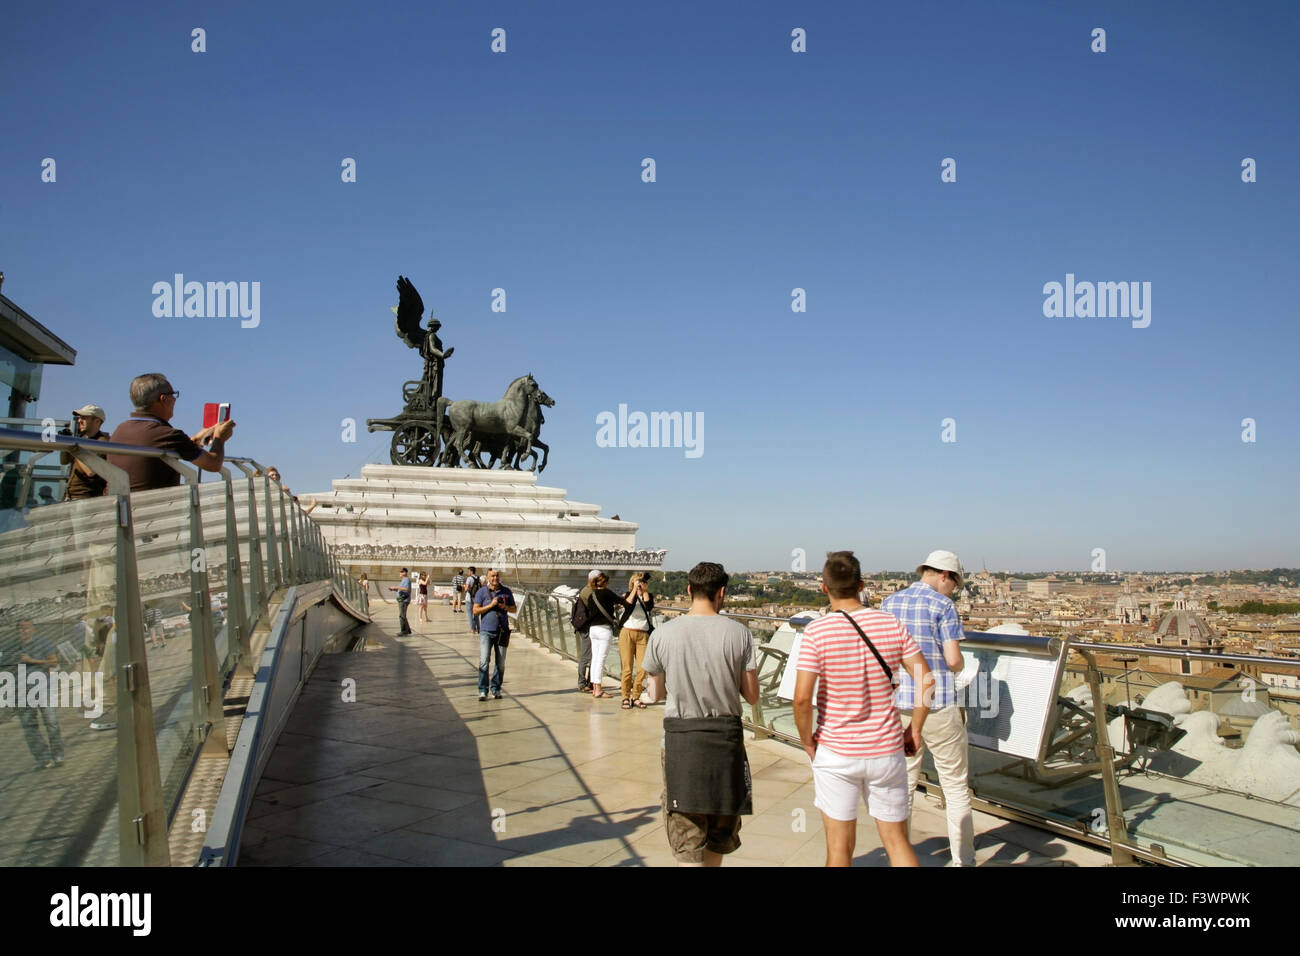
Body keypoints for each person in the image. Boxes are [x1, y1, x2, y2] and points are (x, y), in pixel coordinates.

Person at [793, 551, 932, 867]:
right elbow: (926, 680)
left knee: (840, 850)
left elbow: (802, 699)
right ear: (862, 585)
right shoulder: (890, 624)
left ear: (824, 588)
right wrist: (915, 728)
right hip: (886, 749)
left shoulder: (817, 632)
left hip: (836, 750)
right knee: (897, 843)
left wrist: (806, 741)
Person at [642, 562, 758, 867]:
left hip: (682, 744)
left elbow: (655, 694)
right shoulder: (740, 634)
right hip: (725, 744)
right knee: (719, 837)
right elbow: (752, 695)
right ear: (722, 593)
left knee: (687, 838)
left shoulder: (663, 634)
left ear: (689, 590)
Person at [881, 549, 975, 867]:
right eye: (955, 583)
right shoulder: (943, 606)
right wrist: (961, 664)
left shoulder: (889, 603)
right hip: (937, 704)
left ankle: (901, 857)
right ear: (944, 576)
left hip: (896, 705)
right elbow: (952, 660)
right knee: (955, 785)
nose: (954, 591)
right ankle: (964, 861)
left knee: (903, 786)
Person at [107, 374, 235, 491]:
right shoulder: (167, 434)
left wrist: (195, 440)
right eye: (173, 395)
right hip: (151, 510)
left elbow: (164, 445)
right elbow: (214, 464)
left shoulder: (120, 430)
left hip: (119, 508)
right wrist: (220, 438)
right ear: (164, 399)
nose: (174, 400)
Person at [8, 620, 66, 769]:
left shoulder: (43, 642)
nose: (24, 631)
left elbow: (54, 663)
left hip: (42, 688)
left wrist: (31, 660)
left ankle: (58, 756)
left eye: (27, 628)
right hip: (21, 692)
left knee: (51, 722)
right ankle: (43, 759)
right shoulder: (11, 647)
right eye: (21, 629)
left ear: (33, 629)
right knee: (29, 726)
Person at [584, 572, 629, 699]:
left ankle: (594, 687)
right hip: (604, 630)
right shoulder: (607, 593)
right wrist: (626, 596)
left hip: (593, 629)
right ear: (605, 583)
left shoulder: (591, 595)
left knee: (595, 659)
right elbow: (623, 601)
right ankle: (598, 689)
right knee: (600, 660)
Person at [471, 569, 515, 700]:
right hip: (486, 631)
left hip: (502, 631)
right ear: (488, 578)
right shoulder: (481, 592)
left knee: (500, 663)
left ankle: (496, 688)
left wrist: (505, 607)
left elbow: (514, 608)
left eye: (497, 576)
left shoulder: (506, 591)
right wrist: (491, 605)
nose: (495, 578)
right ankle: (482, 690)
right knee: (484, 661)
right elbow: (475, 610)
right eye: (492, 576)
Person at [618, 572, 655, 709]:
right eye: (636, 582)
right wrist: (634, 589)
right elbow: (628, 605)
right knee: (627, 668)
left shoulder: (648, 596)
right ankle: (625, 696)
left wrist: (644, 590)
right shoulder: (628, 595)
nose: (639, 584)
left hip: (642, 634)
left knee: (642, 668)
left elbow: (649, 606)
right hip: (627, 633)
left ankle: (636, 696)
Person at [62, 404, 112, 499]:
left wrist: (74, 447)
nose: (79, 420)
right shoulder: (82, 439)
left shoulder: (102, 442)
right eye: (80, 418)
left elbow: (91, 471)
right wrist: (65, 441)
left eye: (84, 418)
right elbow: (64, 461)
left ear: (97, 421)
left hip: (86, 497)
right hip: (71, 495)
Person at [575, 569, 600, 692]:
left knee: (591, 655)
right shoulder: (589, 592)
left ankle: (590, 681)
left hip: (589, 626)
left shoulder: (588, 590)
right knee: (587, 656)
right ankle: (582, 683)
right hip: (587, 627)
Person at [389, 567, 412, 635]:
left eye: (402, 572)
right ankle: (408, 630)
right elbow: (401, 589)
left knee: (401, 616)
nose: (400, 573)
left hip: (404, 600)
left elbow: (406, 589)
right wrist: (394, 589)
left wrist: (396, 587)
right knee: (403, 615)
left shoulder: (406, 580)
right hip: (402, 599)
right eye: (400, 572)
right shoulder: (403, 580)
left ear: (405, 573)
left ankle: (403, 631)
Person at [463, 567, 480, 633]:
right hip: (476, 598)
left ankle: (472, 629)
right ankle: (478, 628)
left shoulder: (469, 578)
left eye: (468, 571)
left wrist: (464, 587)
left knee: (470, 614)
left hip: (469, 598)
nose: (468, 572)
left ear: (471, 571)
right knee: (476, 614)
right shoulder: (477, 578)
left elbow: (466, 588)